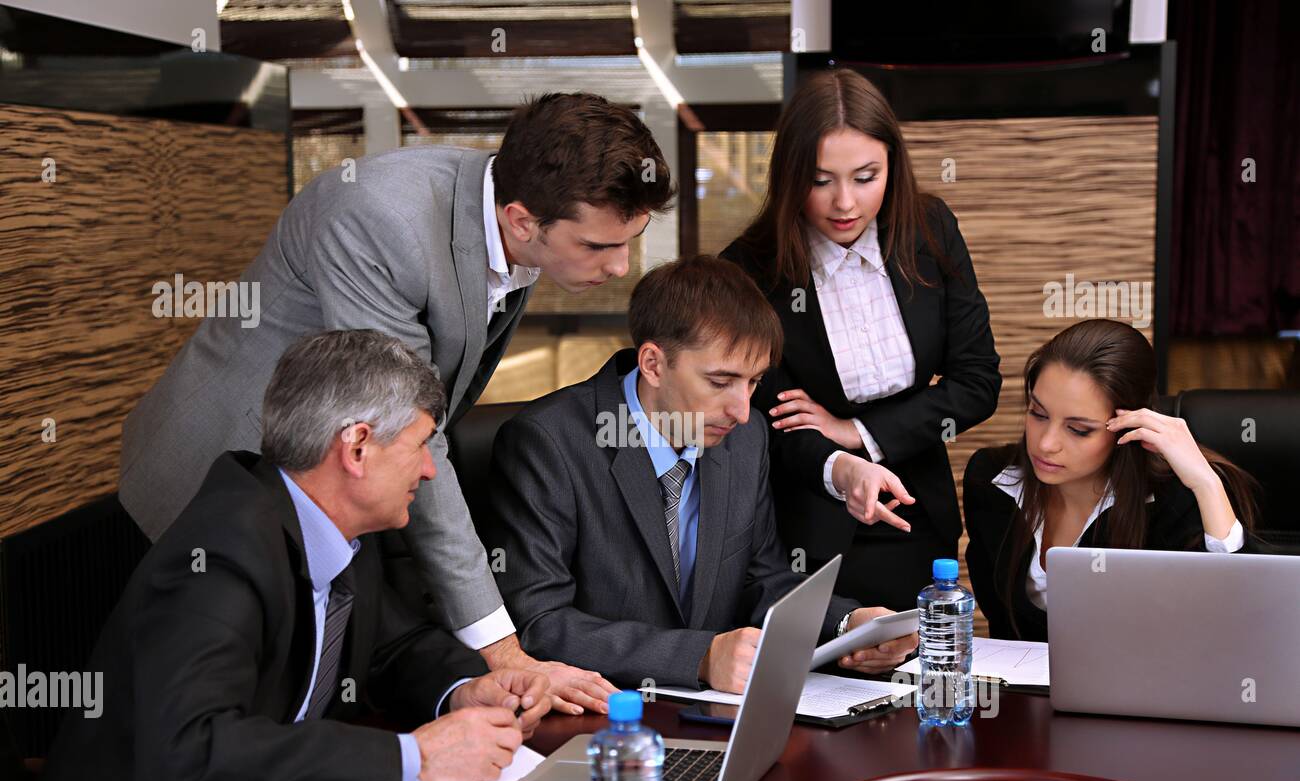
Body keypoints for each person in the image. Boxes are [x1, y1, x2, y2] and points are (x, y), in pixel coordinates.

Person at [118, 92, 671, 714]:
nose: (622, 265)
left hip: (341, 484)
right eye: (599, 247)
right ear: (521, 221)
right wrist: (502, 649)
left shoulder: (518, 213)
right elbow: (408, 424)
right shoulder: (383, 220)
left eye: (631, 241)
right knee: (227, 725)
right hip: (218, 477)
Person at [6, 331, 550, 781]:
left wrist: (463, 690)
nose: (430, 469)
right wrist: (418, 758)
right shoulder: (221, 556)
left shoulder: (334, 523)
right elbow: (189, 748)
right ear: (357, 448)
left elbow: (394, 644)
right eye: (420, 447)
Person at [487, 256, 917, 694]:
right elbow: (538, 622)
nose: (742, 410)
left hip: (718, 716)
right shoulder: (549, 442)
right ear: (653, 363)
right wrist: (700, 657)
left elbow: (760, 580)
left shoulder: (745, 439)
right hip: (601, 717)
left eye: (753, 383)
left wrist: (848, 624)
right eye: (720, 382)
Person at [720, 68, 1001, 613]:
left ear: (893, 166)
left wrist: (857, 431)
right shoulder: (749, 269)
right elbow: (768, 423)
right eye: (821, 180)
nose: (844, 202)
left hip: (910, 508)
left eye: (866, 176)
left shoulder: (930, 230)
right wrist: (840, 463)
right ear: (788, 175)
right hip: (805, 526)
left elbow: (977, 383)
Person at [964, 319, 1263, 642]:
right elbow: (1002, 627)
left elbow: (1241, 620)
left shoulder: (1171, 500)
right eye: (1038, 413)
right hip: (1021, 689)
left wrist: (1206, 482)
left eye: (1079, 429)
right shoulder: (992, 480)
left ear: (1128, 423)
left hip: (1139, 689)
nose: (1047, 443)